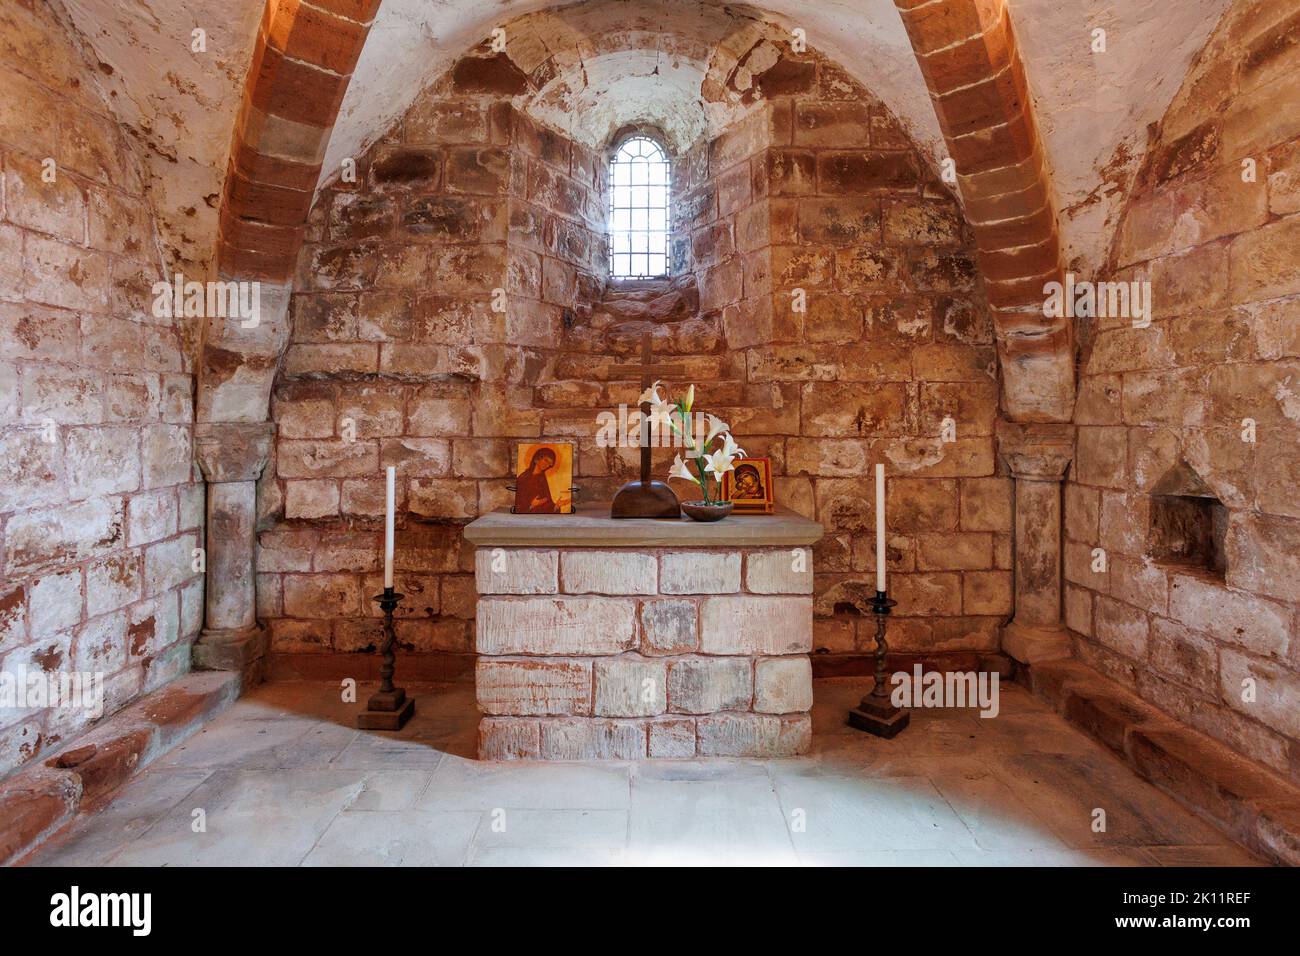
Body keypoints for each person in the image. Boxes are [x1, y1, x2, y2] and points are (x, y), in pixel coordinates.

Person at [516, 447, 559, 513]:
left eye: (549, 464)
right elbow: (518, 503)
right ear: (537, 458)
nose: (547, 465)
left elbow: (548, 501)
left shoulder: (542, 479)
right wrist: (531, 505)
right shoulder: (523, 478)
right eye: (546, 460)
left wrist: (556, 507)